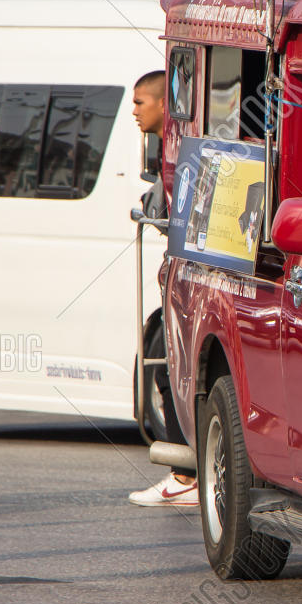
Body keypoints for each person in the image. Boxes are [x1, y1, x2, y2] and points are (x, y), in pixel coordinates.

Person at [125, 71, 199, 508]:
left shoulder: (176, 146)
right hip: (179, 272)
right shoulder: (164, 146)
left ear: (161, 104)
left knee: (174, 369)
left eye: (139, 102)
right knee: (169, 370)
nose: (134, 111)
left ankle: (184, 475)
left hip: (188, 276)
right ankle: (183, 472)